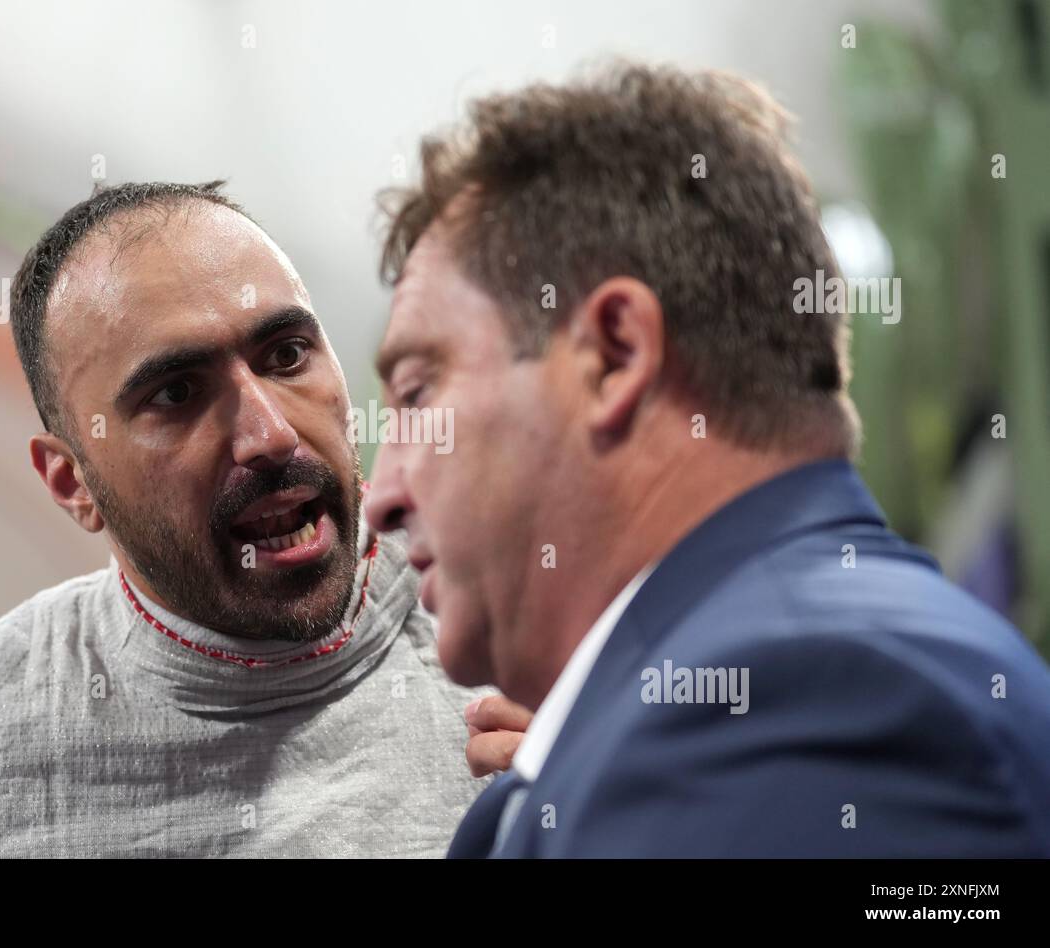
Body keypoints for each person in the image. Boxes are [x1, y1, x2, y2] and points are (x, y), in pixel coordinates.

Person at [363, 62, 1050, 857]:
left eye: (416, 394)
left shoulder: (789, 711)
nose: (380, 494)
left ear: (613, 356)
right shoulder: (747, 699)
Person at [0, 182, 490, 858]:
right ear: (73, 482)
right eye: (175, 394)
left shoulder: (527, 661)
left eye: (287, 354)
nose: (268, 435)